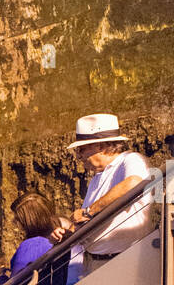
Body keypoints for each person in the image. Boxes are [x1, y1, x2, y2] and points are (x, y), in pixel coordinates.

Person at [58, 114, 152, 273]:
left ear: (100, 146)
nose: (79, 156)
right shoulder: (96, 178)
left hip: (122, 260)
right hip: (97, 261)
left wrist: (88, 211)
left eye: (82, 149)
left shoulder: (130, 160)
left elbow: (134, 183)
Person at [7, 193, 70, 285]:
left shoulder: (31, 245)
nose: (14, 222)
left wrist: (2, 278)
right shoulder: (57, 243)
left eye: (18, 218)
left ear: (29, 219)